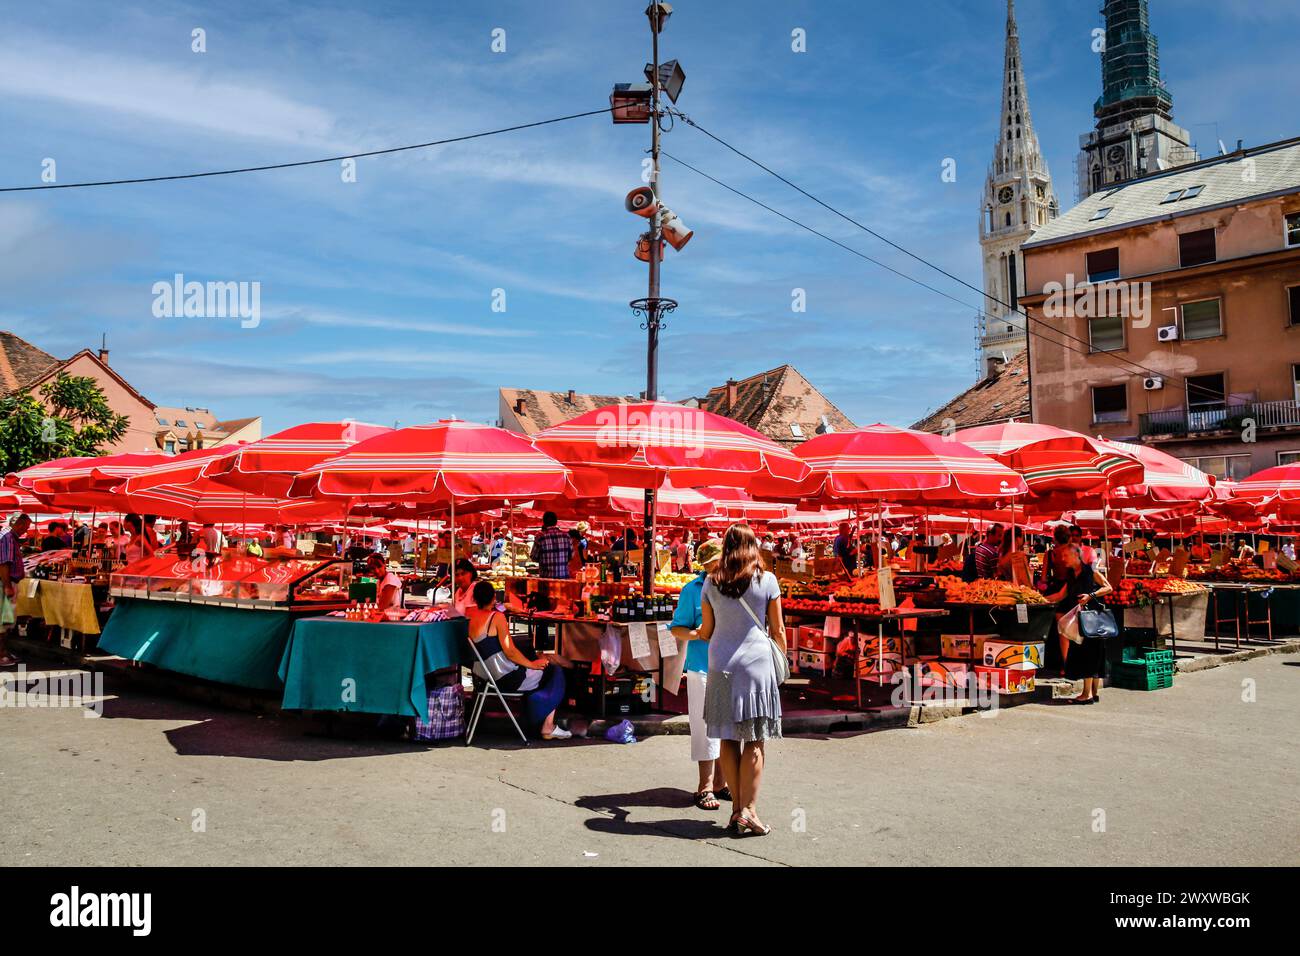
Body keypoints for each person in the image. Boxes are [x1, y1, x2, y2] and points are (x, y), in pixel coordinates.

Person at [694, 523, 785, 836]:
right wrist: (782, 663)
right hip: (757, 666)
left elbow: (706, 631)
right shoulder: (768, 580)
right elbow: (778, 630)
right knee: (755, 739)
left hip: (720, 663)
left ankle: (736, 811)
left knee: (728, 738)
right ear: (754, 547)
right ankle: (749, 810)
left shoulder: (710, 582)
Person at [669, 537, 731, 812]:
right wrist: (697, 634)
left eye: (718, 562)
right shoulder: (691, 590)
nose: (715, 568)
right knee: (705, 728)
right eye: (710, 564)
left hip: (731, 666)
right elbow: (677, 628)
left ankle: (721, 783)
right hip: (701, 666)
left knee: (727, 726)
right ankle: (704, 787)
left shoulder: (736, 588)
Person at [466, 579, 569, 739]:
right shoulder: (497, 618)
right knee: (554, 671)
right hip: (506, 678)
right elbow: (511, 652)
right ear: (494, 597)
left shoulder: (471, 616)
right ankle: (547, 726)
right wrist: (532, 665)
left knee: (541, 667)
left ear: (474, 599)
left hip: (485, 677)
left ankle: (535, 718)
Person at [1044, 525, 1113, 702]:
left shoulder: (1090, 571)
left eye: (1066, 556)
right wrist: (1041, 600)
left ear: (1076, 555)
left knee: (1089, 654)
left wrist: (1090, 595)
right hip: (1081, 618)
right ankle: (1094, 693)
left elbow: (1108, 587)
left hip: (1092, 618)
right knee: (1091, 654)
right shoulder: (1070, 574)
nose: (1063, 559)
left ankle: (1086, 694)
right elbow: (1062, 594)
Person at [0, 514, 32, 667]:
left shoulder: (9, 536)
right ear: (19, 524)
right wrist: (7, 586)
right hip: (6, 584)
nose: (26, 530)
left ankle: (4, 652)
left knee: (6, 621)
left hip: (9, 582)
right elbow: (4, 564)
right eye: (26, 527)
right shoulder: (7, 537)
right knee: (4, 621)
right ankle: (1, 654)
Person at [530, 511, 573, 579]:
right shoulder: (566, 536)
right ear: (556, 522)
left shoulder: (540, 537)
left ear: (544, 522)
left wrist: (544, 558)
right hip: (564, 579)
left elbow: (534, 557)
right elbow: (571, 556)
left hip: (546, 580)